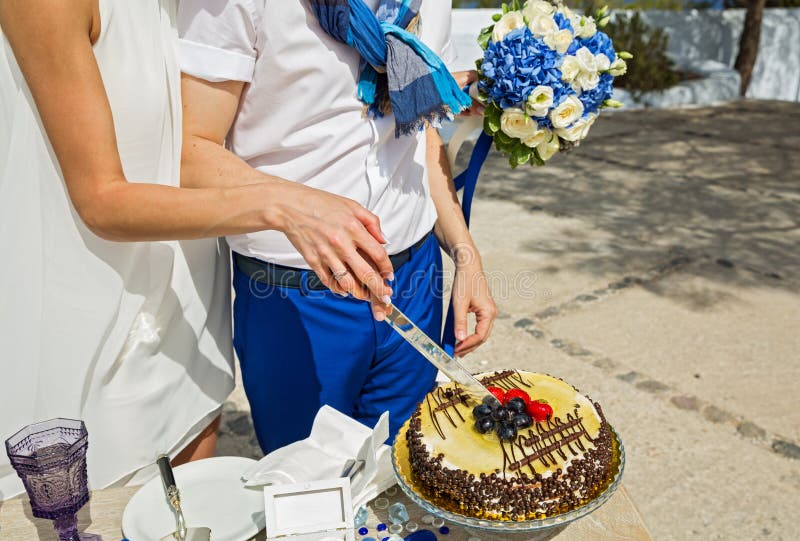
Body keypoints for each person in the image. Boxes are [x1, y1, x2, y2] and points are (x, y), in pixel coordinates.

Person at [0, 0, 391, 498]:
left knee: (189, 511)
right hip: (96, 319)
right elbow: (101, 200)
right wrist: (283, 205)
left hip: (188, 307)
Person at [177, 0, 498, 454]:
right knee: (309, 493)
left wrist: (465, 253)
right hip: (294, 296)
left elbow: (421, 134)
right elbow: (190, 148)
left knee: (407, 477)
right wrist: (295, 206)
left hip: (415, 279)